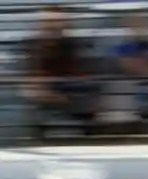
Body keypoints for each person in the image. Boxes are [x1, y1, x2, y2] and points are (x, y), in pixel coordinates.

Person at [22, 5, 99, 140]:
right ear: (40, 24)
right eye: (48, 22)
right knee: (31, 93)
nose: (52, 26)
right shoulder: (31, 46)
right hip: (46, 100)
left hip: (74, 99)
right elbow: (30, 82)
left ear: (66, 24)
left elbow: (85, 78)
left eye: (57, 22)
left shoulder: (77, 46)